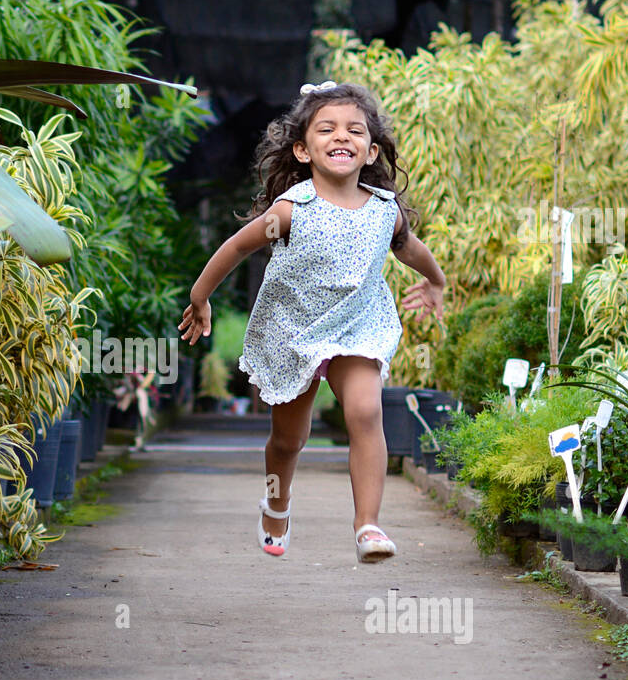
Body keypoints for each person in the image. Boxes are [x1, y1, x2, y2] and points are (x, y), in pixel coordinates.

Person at [178, 81, 446, 563]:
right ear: (303, 149)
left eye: (354, 130)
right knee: (288, 439)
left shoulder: (386, 213)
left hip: (357, 328)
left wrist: (436, 281)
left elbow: (410, 250)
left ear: (370, 151)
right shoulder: (291, 210)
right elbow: (238, 247)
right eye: (327, 129)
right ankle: (276, 504)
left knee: (366, 413)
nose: (341, 136)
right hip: (292, 333)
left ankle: (367, 525)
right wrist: (200, 298)